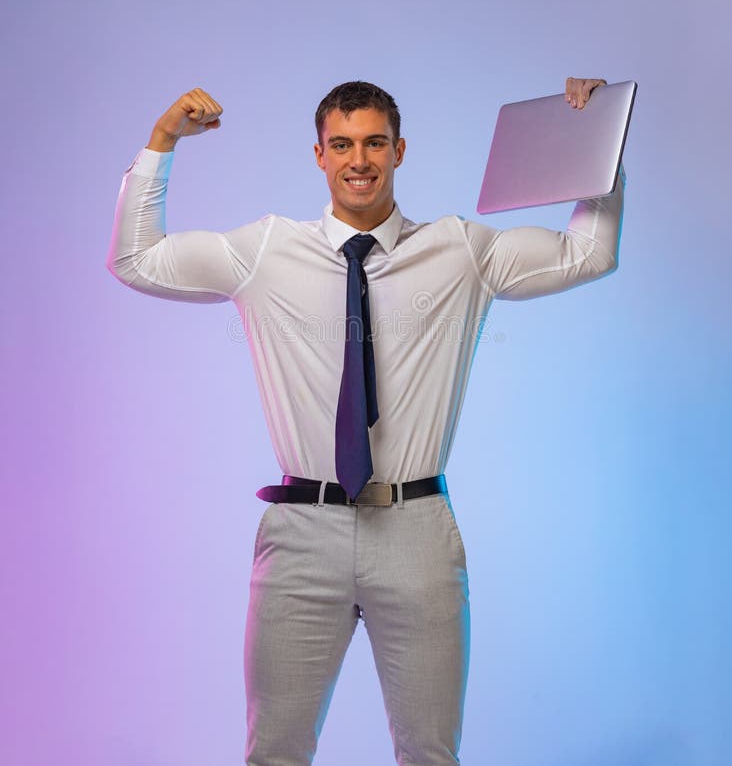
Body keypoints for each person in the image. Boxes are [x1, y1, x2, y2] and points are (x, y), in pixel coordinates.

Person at [106, 77, 624, 765]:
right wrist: (163, 141)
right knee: (274, 754)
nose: (359, 160)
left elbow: (588, 253)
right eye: (343, 144)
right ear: (318, 154)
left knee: (430, 754)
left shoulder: (460, 250)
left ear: (399, 151)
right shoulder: (266, 250)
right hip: (302, 532)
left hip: (415, 531)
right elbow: (136, 259)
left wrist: (598, 140)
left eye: (375, 143)